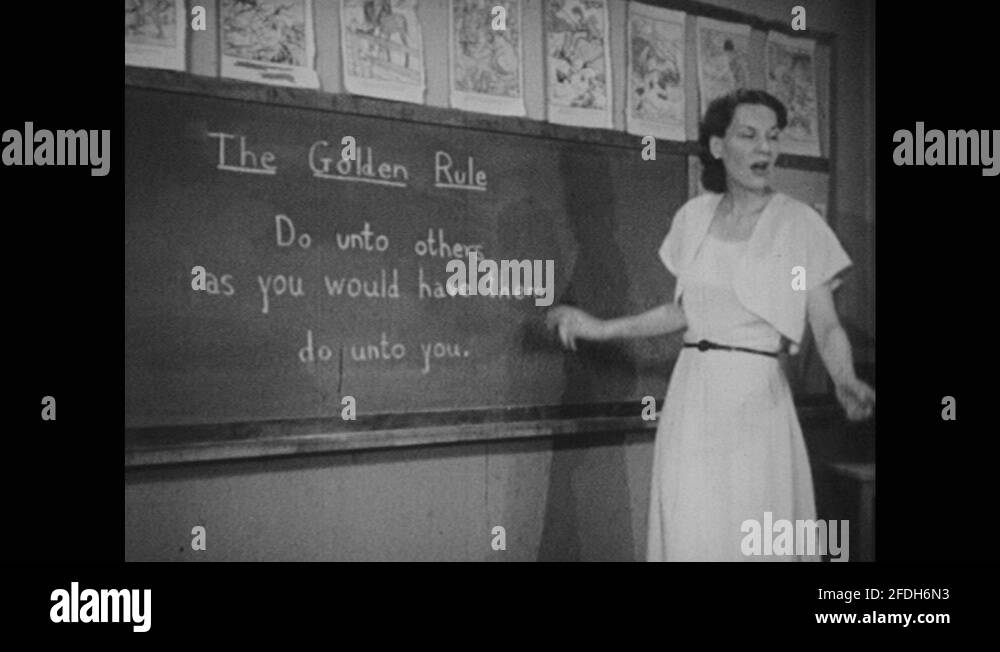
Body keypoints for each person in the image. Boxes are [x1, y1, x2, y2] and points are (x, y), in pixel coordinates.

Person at [545, 89, 875, 561]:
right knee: (692, 530)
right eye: (749, 135)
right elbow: (684, 312)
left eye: (773, 137)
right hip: (692, 396)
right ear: (719, 146)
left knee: (753, 533)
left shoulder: (799, 224)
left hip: (756, 401)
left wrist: (844, 379)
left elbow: (826, 326)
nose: (765, 148)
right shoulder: (693, 218)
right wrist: (598, 327)